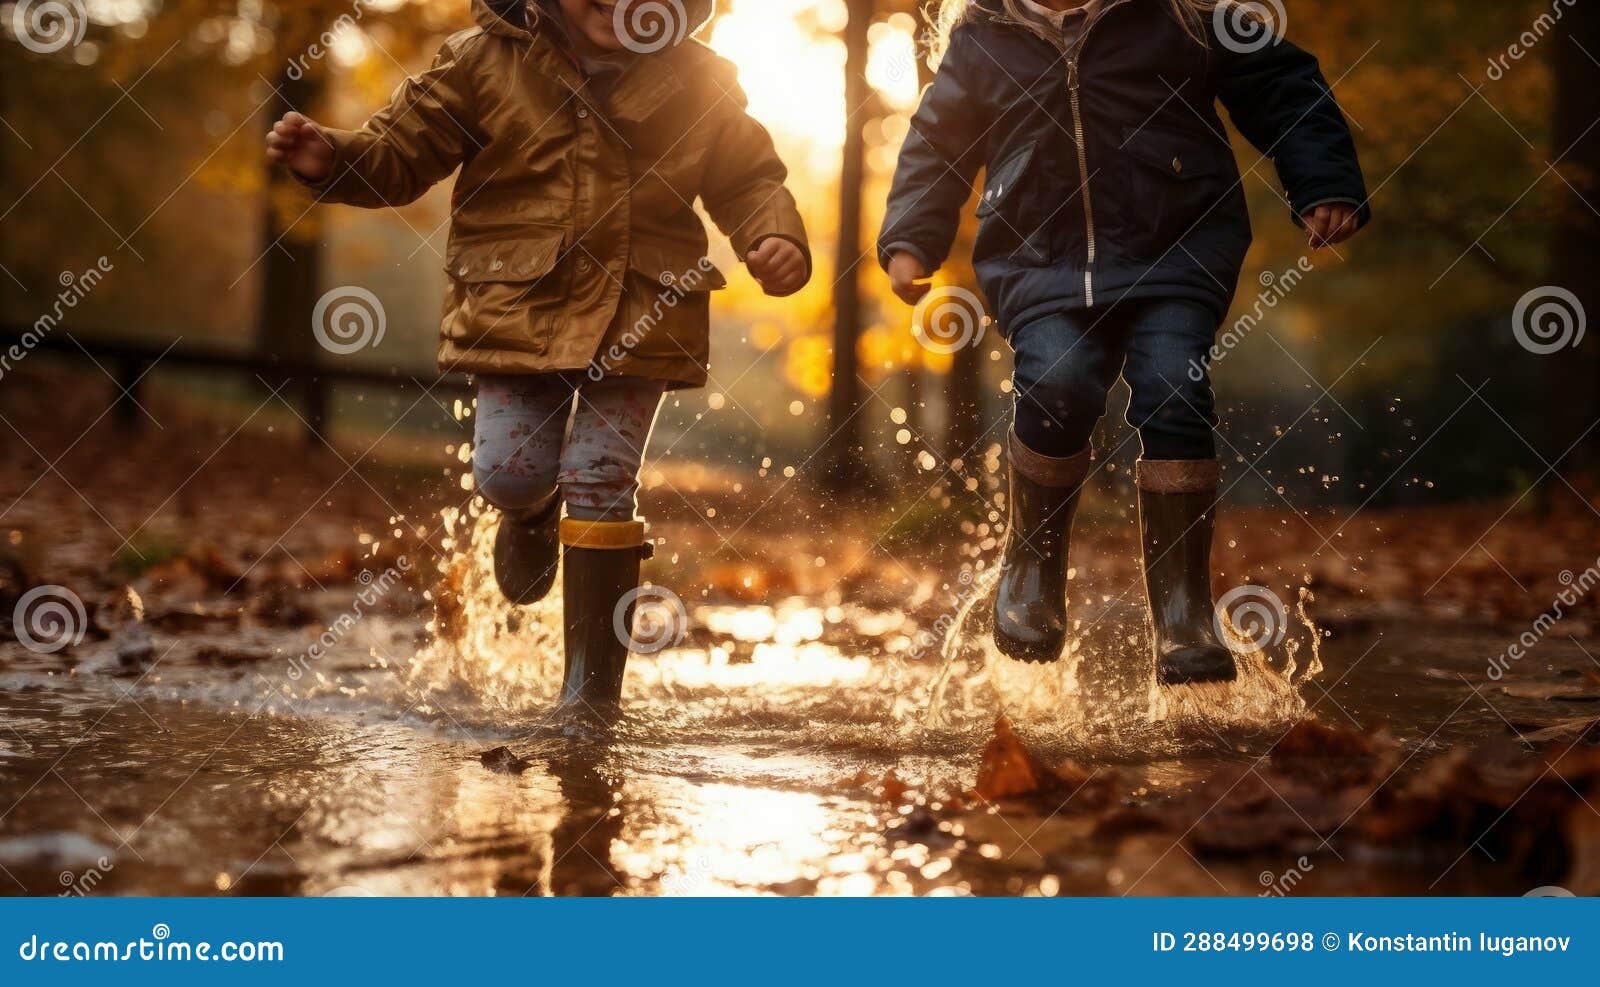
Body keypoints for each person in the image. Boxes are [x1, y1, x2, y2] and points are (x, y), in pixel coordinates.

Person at [267, 0, 809, 712]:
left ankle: (590, 692)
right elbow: (402, 154)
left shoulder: (697, 78)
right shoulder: (481, 62)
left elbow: (747, 178)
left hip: (641, 308)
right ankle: (529, 511)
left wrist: (775, 236)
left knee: (603, 477)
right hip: (517, 301)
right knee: (508, 472)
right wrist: (333, 159)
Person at [878, 0, 1368, 684]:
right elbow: (936, 144)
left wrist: (1324, 182)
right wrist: (911, 237)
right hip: (1037, 257)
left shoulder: (1182, 20)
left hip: (1178, 248)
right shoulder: (981, 40)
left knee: (1175, 384)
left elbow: (1284, 86)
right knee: (1058, 381)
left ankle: (1184, 606)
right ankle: (1032, 568)